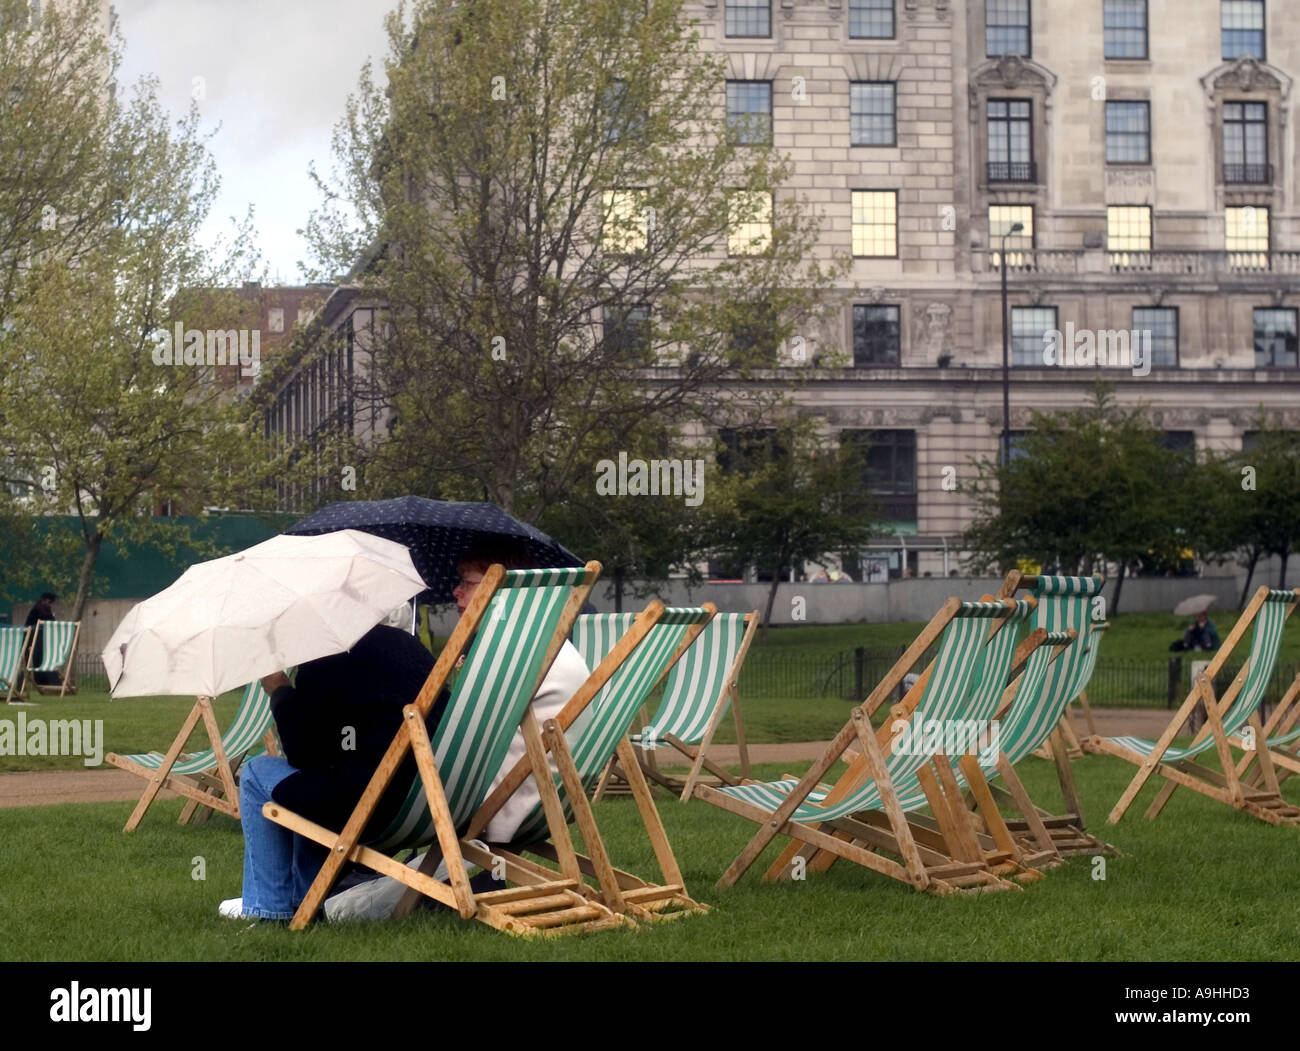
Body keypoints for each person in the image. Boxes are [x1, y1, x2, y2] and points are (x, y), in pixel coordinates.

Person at [23, 593, 59, 687]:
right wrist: (52, 617)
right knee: (37, 659)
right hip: (34, 636)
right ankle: (40, 681)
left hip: (41, 637)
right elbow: (46, 621)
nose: (51, 604)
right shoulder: (38, 609)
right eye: (49, 602)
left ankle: (43, 681)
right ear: (44, 600)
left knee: (41, 658)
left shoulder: (44, 609)